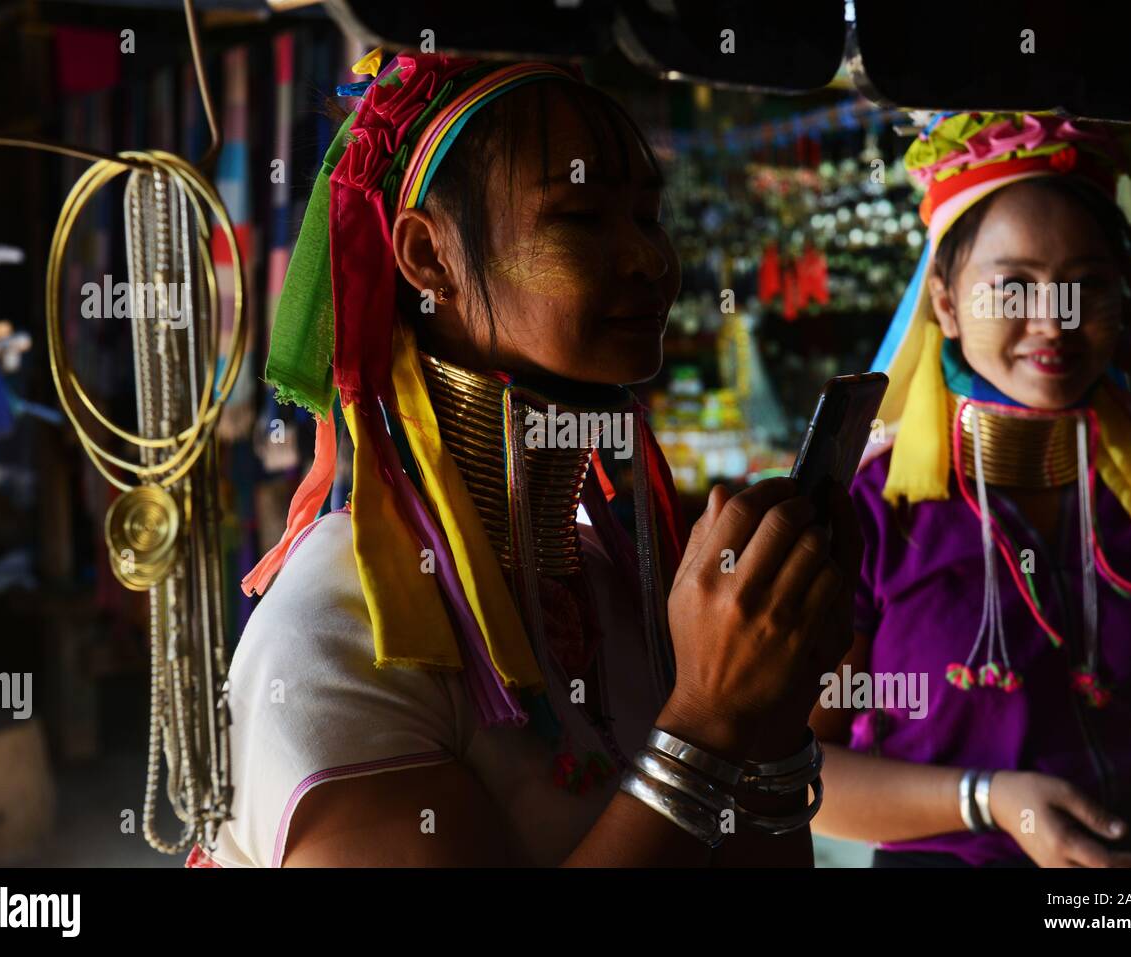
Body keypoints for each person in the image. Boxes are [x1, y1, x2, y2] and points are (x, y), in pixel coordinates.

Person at [187, 52, 858, 868]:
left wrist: (773, 710)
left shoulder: (618, 584)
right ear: (429, 258)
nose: (649, 259)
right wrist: (710, 720)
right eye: (580, 219)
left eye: (649, 217)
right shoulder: (339, 631)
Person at [812, 112, 1131, 867]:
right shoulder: (867, 510)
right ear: (944, 300)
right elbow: (798, 771)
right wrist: (987, 797)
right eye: (1013, 287)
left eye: (1087, 286)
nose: (1054, 321)